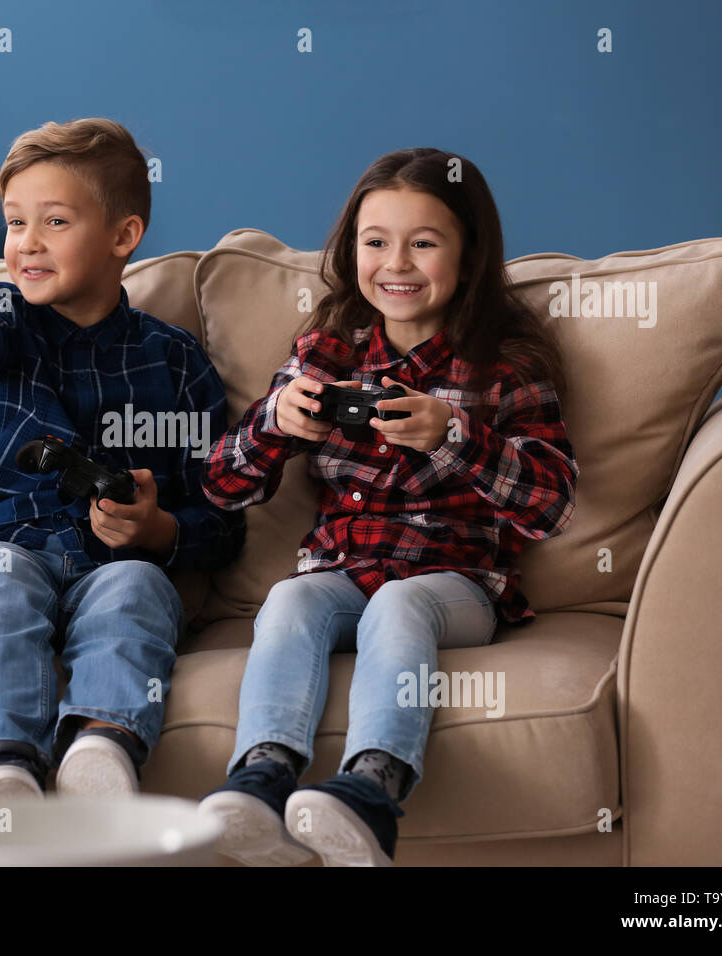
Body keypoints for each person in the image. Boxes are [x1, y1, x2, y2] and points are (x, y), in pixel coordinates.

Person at [197, 148, 578, 866]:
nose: (396, 264)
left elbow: (552, 504)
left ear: (468, 256)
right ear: (351, 251)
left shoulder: (508, 361)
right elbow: (222, 487)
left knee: (399, 606)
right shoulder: (328, 350)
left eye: (424, 243)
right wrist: (276, 422)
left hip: (456, 583)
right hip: (341, 571)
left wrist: (456, 437)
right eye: (376, 242)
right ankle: (262, 777)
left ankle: (372, 791)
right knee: (289, 600)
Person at [0, 118, 244, 810]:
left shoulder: (175, 362)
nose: (27, 243)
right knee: (2, 588)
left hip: (110, 566)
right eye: (15, 223)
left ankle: (102, 747)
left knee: (138, 591)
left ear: (123, 236)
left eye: (54, 221)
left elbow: (220, 510)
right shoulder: (1, 313)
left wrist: (160, 529)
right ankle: (3, 762)